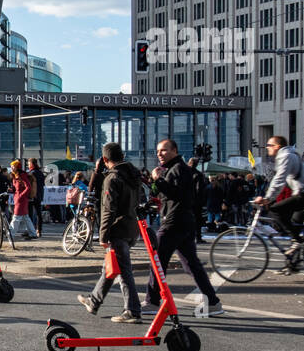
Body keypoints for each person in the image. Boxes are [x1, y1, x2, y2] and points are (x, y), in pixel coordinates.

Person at [147, 139, 223, 315]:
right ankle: (212, 302)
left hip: (174, 221)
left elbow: (177, 194)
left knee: (157, 261)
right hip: (182, 221)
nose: (160, 153)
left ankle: (152, 302)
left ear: (174, 150)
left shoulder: (180, 169)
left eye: (164, 150)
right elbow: (156, 192)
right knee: (191, 264)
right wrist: (154, 180)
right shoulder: (170, 169)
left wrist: (158, 180)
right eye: (158, 150)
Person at [77, 143, 143, 324]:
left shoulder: (112, 179)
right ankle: (94, 300)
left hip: (117, 229)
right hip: (131, 228)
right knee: (111, 267)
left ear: (105, 159)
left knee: (123, 272)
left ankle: (132, 310)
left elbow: (108, 209)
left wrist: (103, 235)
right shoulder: (134, 175)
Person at [253, 135, 304, 272]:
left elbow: (279, 179)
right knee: (293, 226)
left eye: (269, 145)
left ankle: (298, 240)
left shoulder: (286, 156)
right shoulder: (288, 155)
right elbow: (281, 181)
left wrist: (267, 199)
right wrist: (270, 197)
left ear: (277, 146)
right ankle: (292, 264)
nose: (267, 148)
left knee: (275, 210)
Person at [9, 160, 38, 239]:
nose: (11, 168)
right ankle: (33, 233)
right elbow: (17, 188)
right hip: (19, 198)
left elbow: (28, 187)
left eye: (13, 166)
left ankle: (11, 234)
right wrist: (12, 190)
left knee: (16, 217)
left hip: (21, 199)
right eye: (11, 166)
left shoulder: (22, 175)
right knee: (26, 217)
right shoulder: (15, 175)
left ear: (17, 167)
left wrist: (21, 195)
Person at [27, 158, 46, 235]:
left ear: (32, 164)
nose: (28, 165)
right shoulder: (40, 173)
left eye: (28, 164)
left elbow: (29, 185)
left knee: (30, 214)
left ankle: (31, 230)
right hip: (39, 195)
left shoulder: (31, 173)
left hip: (32, 195)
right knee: (39, 214)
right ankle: (39, 230)